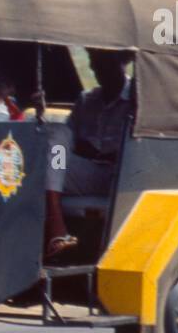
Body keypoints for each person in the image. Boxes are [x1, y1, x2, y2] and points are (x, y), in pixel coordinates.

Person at [43, 49, 135, 257]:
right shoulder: (86, 100)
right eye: (94, 62)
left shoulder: (137, 99)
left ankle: (55, 224)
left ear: (120, 63)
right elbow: (67, 142)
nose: (96, 69)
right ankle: (55, 220)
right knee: (56, 139)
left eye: (102, 62)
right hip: (87, 172)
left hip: (120, 177)